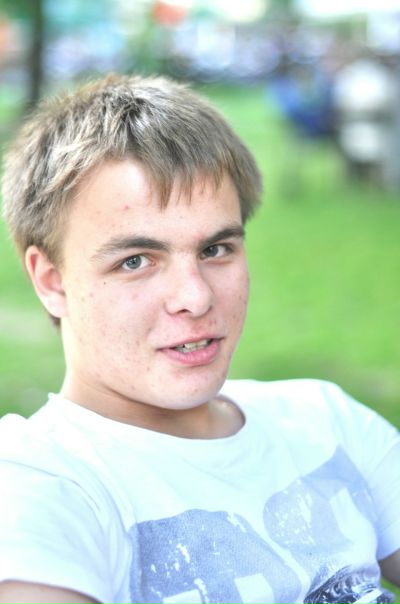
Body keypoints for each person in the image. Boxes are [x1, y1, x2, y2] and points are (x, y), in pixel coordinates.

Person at [0, 74, 399, 604]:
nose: (195, 297)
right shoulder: (37, 485)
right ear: (51, 281)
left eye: (215, 250)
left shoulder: (326, 421)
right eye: (136, 261)